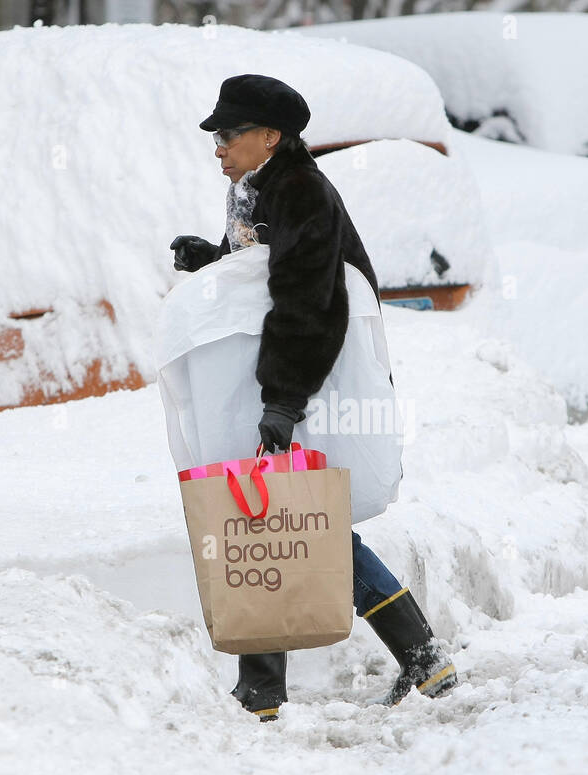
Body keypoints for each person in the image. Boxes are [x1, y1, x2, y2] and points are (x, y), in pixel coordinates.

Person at [169, 74, 457, 721]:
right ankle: (418, 656)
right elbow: (261, 270)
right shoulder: (259, 187)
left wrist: (283, 402)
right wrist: (210, 262)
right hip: (285, 377)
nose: (217, 146)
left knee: (279, 515)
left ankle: (266, 688)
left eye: (228, 133)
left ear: (270, 136)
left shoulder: (299, 192)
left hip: (310, 379)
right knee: (290, 517)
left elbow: (308, 304)